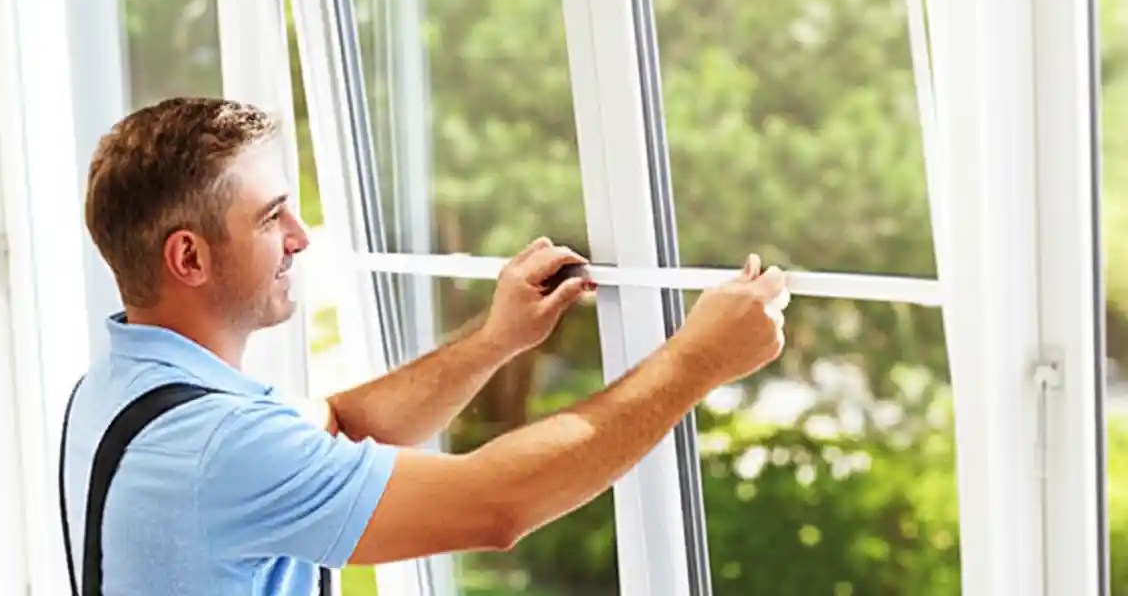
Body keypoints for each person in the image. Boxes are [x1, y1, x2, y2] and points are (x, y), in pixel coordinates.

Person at [61, 96, 790, 595]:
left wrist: (496, 338)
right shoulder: (216, 445)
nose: (300, 238)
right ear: (189, 259)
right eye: (271, 217)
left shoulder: (121, 390)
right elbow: (497, 506)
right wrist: (699, 361)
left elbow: (341, 426)